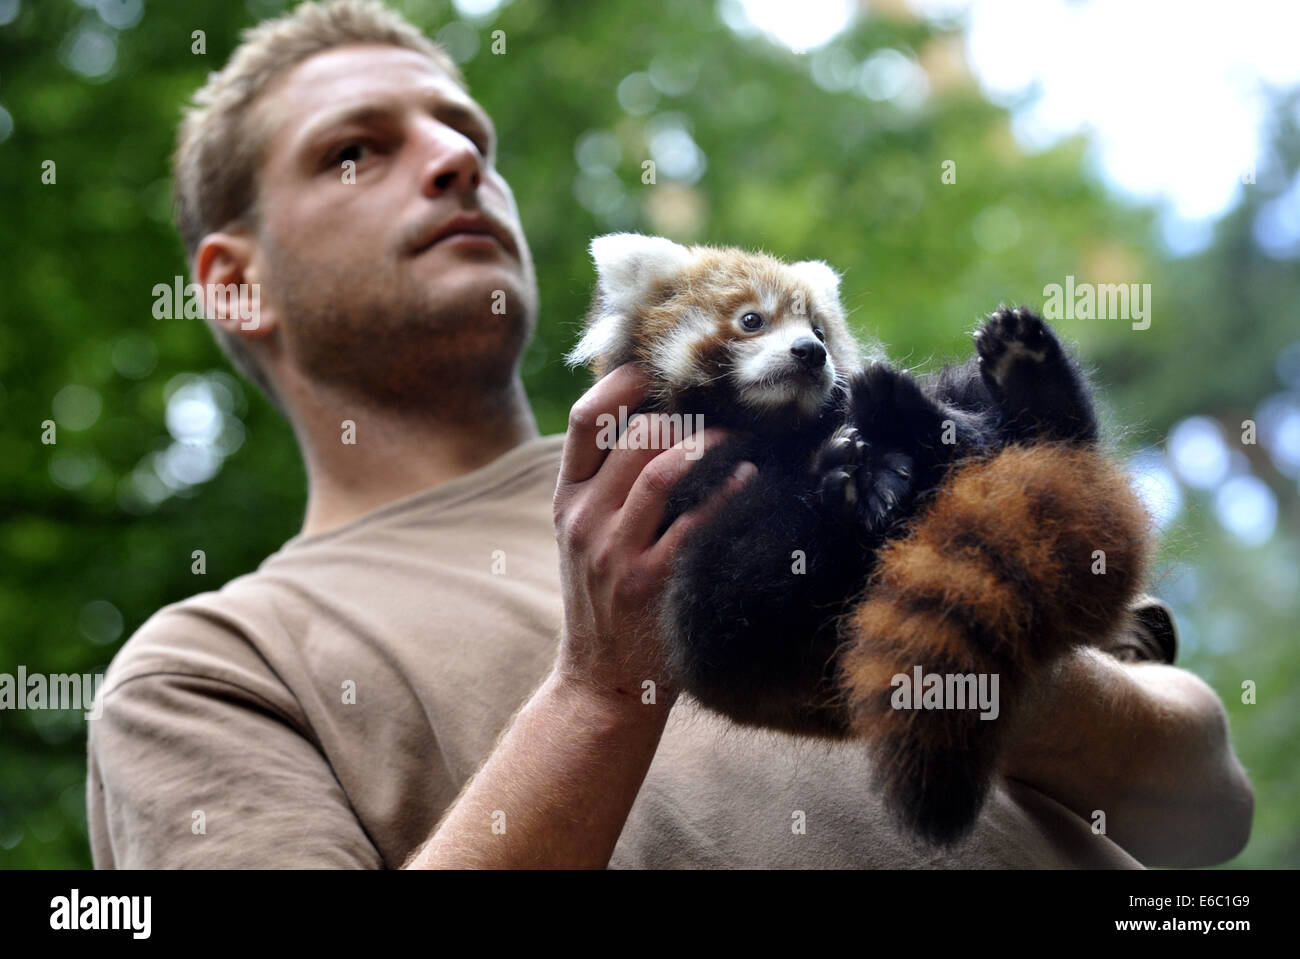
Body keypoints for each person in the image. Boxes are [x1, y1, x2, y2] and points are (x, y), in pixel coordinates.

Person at [86, 0, 1252, 869]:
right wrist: (599, 693)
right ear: (234, 283)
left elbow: (1202, 803)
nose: (456, 163)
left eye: (467, 137)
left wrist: (927, 660)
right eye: (356, 150)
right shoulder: (212, 667)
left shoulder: (803, 431)